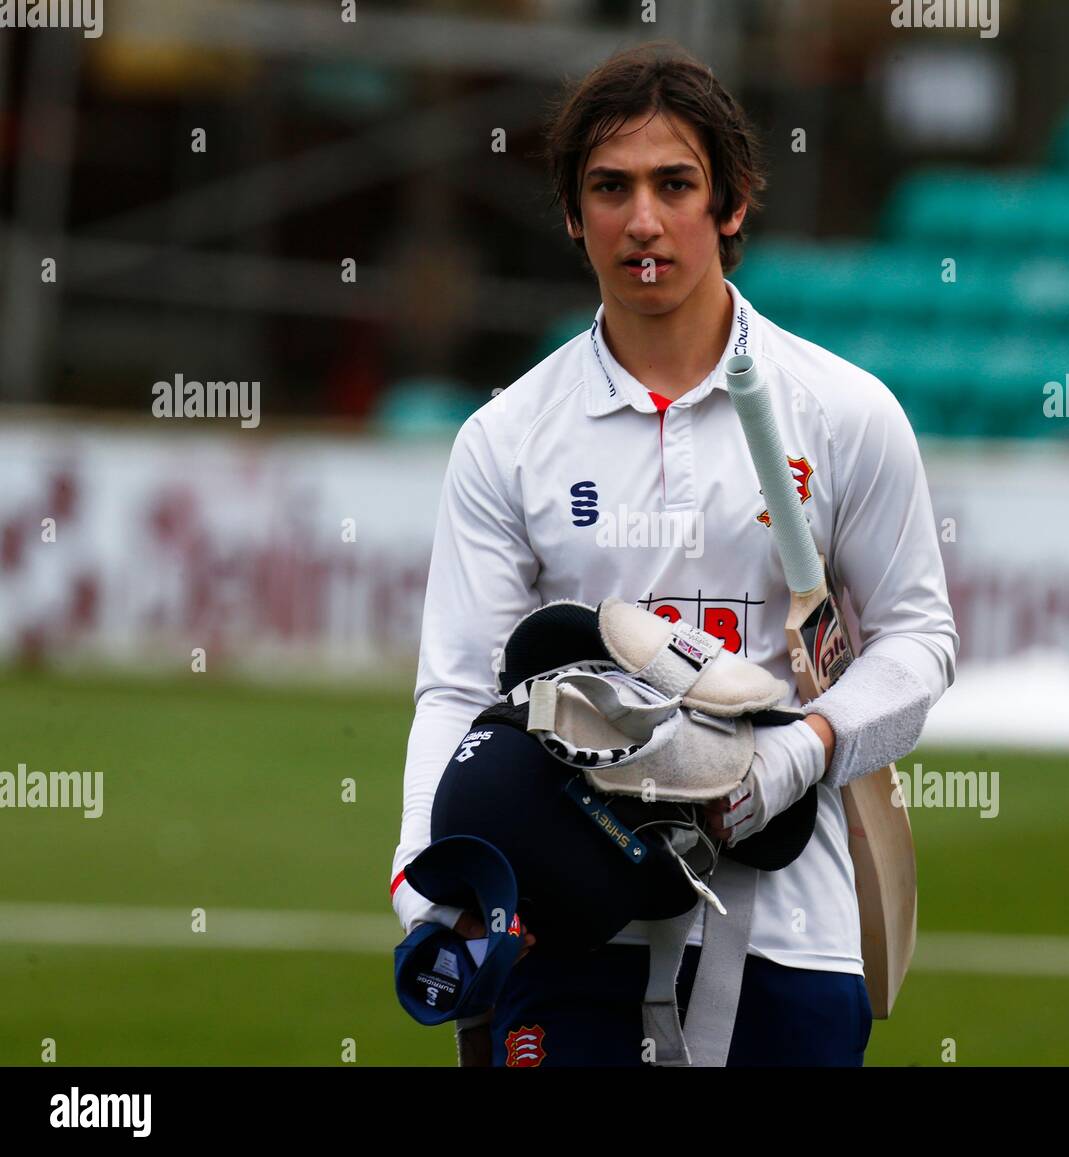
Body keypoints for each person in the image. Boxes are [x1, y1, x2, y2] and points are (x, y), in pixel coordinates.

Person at [389, 41, 957, 1068]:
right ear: (571, 213)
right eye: (609, 188)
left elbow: (919, 644)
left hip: (791, 929)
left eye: (674, 184)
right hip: (562, 926)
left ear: (731, 205)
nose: (641, 221)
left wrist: (802, 749)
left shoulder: (844, 412)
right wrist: (430, 883)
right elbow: (457, 688)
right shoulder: (506, 436)